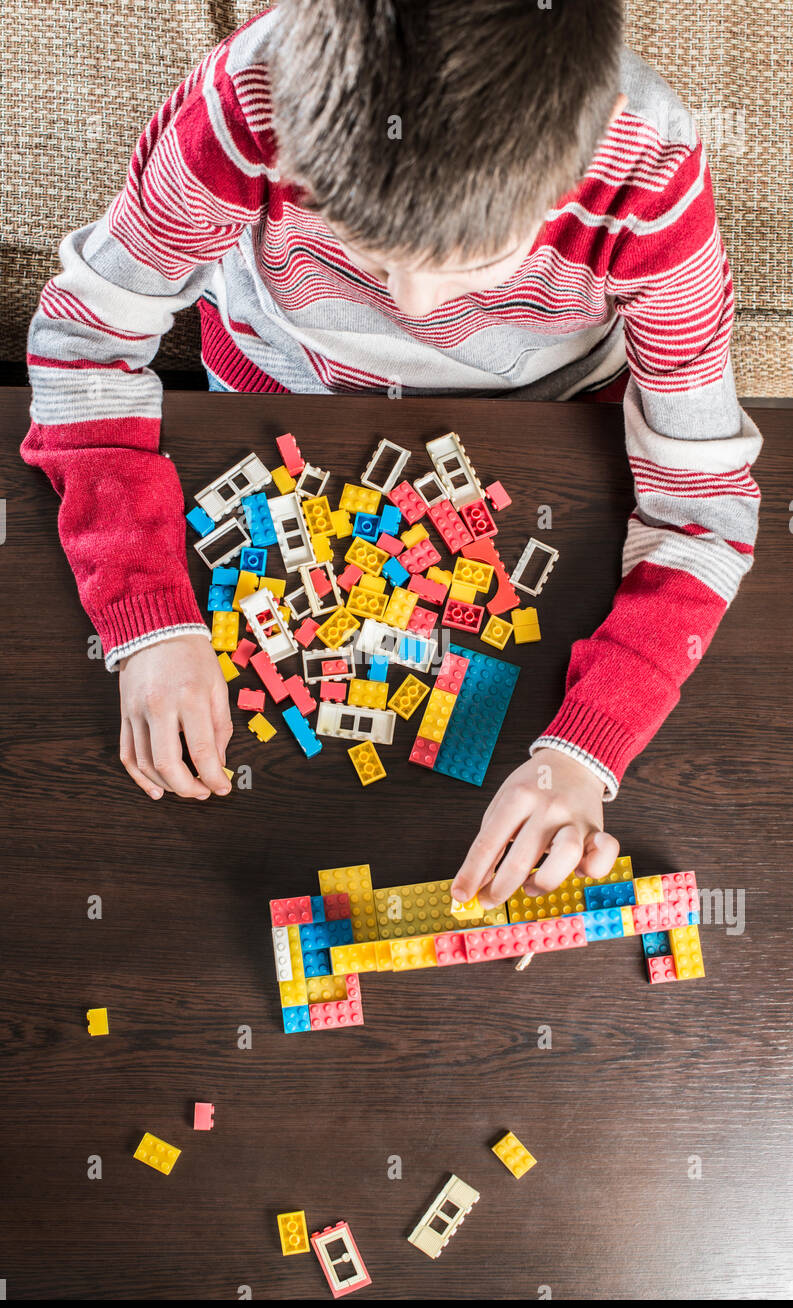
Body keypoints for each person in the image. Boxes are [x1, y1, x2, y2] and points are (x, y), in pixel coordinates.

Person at [19, 1, 761, 908]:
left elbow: (702, 509)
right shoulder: (243, 108)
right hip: (274, 390)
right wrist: (146, 615)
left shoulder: (646, 172)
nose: (413, 305)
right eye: (355, 242)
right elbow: (86, 347)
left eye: (475, 262)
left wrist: (583, 752)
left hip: (551, 419)